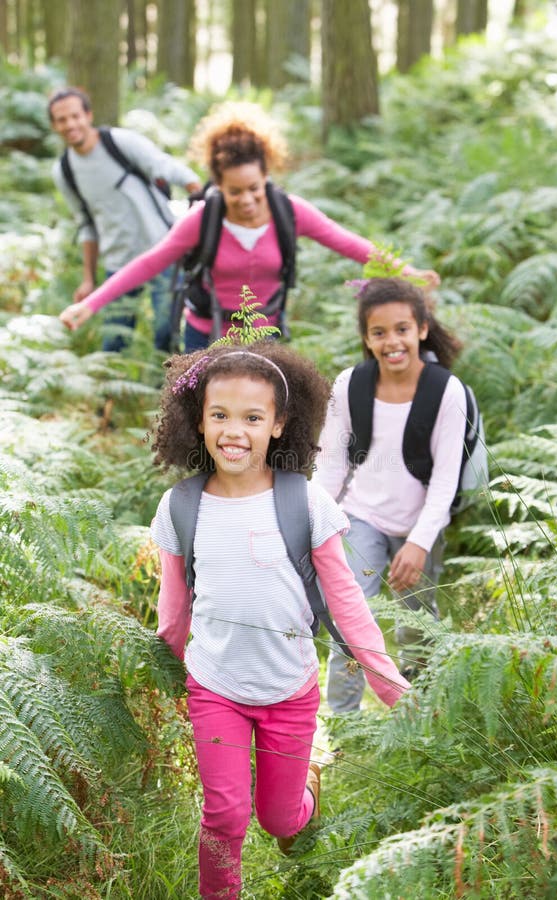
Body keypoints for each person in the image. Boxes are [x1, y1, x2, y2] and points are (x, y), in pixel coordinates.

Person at [149, 341, 409, 898]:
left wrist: (389, 686)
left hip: (289, 690)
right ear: (197, 422)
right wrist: (157, 682)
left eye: (252, 417)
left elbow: (346, 603)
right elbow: (172, 612)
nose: (233, 431)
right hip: (214, 685)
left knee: (279, 819)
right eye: (219, 415)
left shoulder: (305, 502)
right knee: (224, 814)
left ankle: (305, 799)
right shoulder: (181, 506)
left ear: (279, 424)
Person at [59, 101, 439, 352]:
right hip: (205, 337)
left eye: (254, 189)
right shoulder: (201, 220)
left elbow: (351, 245)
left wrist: (408, 274)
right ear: (218, 186)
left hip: (265, 336)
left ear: (267, 177)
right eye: (234, 191)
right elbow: (148, 263)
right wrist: (91, 304)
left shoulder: (290, 211)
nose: (246, 200)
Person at [313, 277, 466, 713]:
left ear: (421, 329)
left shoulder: (445, 391)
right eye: (379, 333)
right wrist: (314, 521)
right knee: (352, 615)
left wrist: (418, 544)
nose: (391, 341)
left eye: (402, 329)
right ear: (366, 337)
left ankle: (419, 710)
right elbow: (330, 464)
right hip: (360, 517)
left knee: (416, 623)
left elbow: (445, 479)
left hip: (422, 525)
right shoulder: (350, 385)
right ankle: (345, 725)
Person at [49, 86, 202, 352]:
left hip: (161, 251)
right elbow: (86, 224)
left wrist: (200, 196)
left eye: (75, 116)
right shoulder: (65, 171)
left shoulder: (120, 142)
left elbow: (165, 166)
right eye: (61, 120)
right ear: (54, 126)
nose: (70, 124)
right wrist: (88, 278)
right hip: (117, 261)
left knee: (167, 334)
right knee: (114, 342)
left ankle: (168, 390)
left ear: (88, 115)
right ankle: (113, 394)